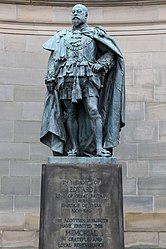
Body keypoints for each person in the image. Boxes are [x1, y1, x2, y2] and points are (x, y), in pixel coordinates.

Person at [40, 4, 125, 157]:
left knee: (93, 110)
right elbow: (53, 58)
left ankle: (99, 148)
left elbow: (110, 54)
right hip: (66, 78)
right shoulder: (61, 36)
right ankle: (73, 147)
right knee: (70, 114)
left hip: (89, 78)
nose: (75, 14)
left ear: (86, 16)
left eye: (79, 12)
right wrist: (50, 76)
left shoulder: (94, 34)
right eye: (73, 12)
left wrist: (101, 64)